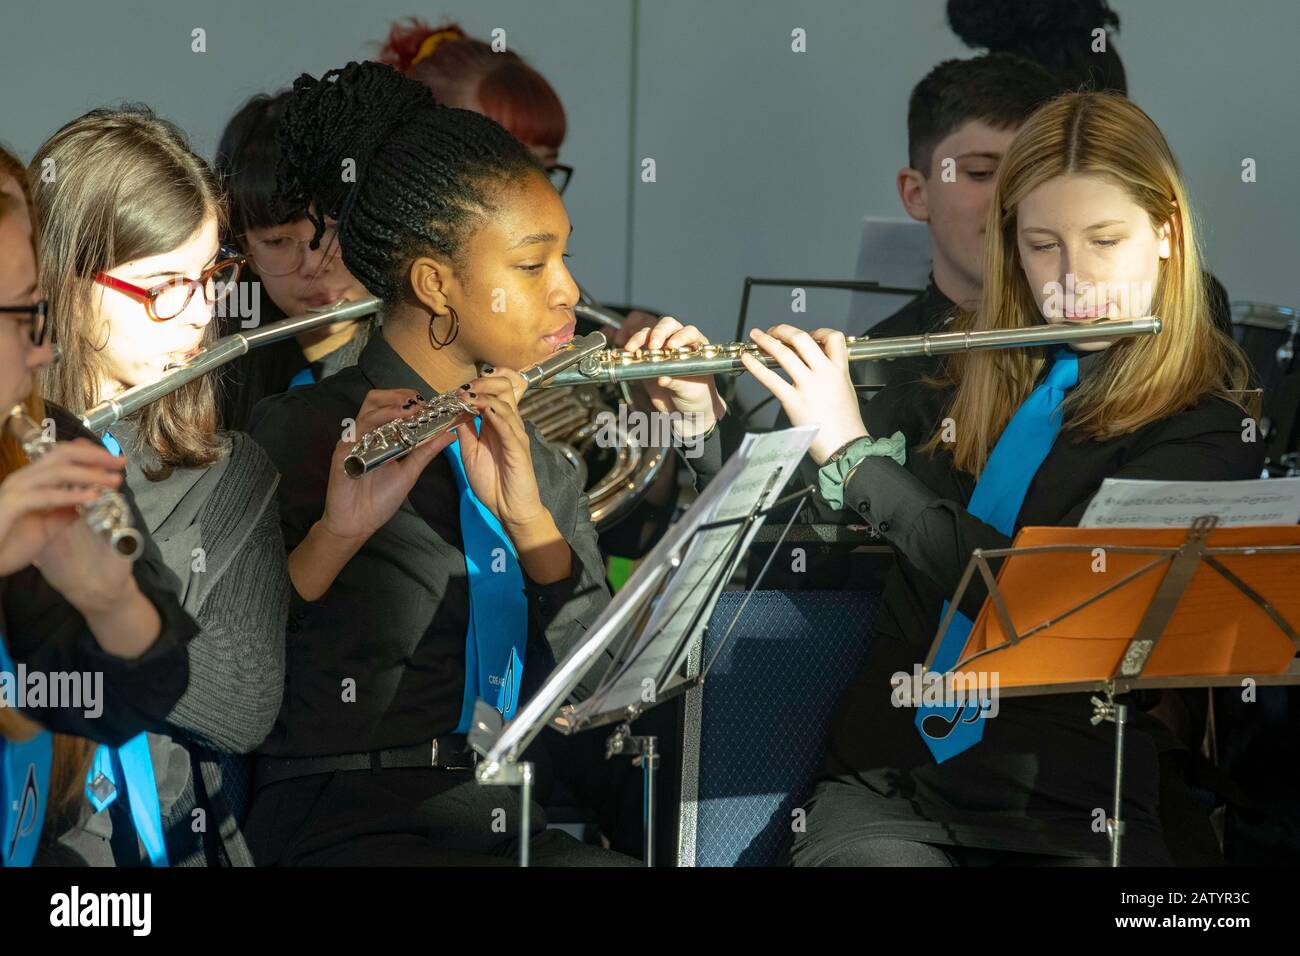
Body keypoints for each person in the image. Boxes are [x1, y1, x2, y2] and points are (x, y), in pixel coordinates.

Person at [649, 91, 1262, 865]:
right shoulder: (955, 366)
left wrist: (859, 459)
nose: (1073, 278)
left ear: (1166, 234)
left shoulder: (1209, 420)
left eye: (1105, 240)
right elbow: (790, 555)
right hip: (890, 784)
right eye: (1043, 246)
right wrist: (705, 425)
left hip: (1074, 796)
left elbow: (1041, 602)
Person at [242, 61, 633, 866]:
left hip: (507, 819)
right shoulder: (300, 430)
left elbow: (601, 702)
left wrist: (532, 529)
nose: (569, 291)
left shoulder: (543, 463)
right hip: (344, 821)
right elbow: (230, 677)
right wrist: (335, 538)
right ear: (434, 283)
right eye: (532, 266)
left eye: (563, 260)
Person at [29, 108, 288, 866]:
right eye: (162, 286)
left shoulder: (227, 470)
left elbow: (245, 704)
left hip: (159, 850)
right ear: (63, 281)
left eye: (209, 277)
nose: (201, 313)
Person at [0, 144, 196, 867]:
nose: (43, 353)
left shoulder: (46, 440)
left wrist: (111, 603)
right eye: (19, 314)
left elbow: (126, 699)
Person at [213, 91, 377, 432]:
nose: (314, 263)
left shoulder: (428, 351)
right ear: (243, 251)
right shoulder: (218, 375)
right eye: (277, 241)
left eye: (334, 229)